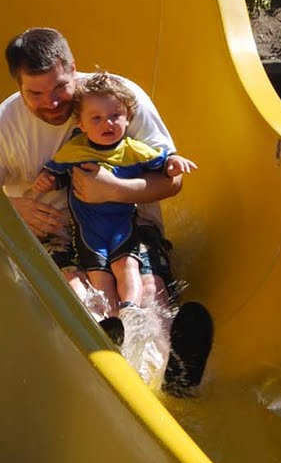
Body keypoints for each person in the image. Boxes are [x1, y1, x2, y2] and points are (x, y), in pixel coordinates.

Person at [0, 28, 213, 393]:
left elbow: (172, 180)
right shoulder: (1, 127)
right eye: (34, 94)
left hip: (127, 222)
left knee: (148, 288)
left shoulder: (116, 101)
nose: (51, 102)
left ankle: (171, 372)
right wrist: (11, 207)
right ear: (18, 88)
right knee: (79, 291)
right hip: (53, 233)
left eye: (59, 88)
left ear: (74, 70)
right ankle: (104, 354)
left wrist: (117, 190)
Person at [32, 73, 193, 337]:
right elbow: (56, 172)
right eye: (96, 118)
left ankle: (130, 310)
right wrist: (47, 180)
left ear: (128, 118)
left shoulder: (133, 149)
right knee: (100, 278)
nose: (107, 123)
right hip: (89, 233)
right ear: (81, 124)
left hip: (122, 227)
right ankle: (111, 323)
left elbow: (162, 163)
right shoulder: (75, 150)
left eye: (115, 116)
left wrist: (173, 163)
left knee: (128, 266)